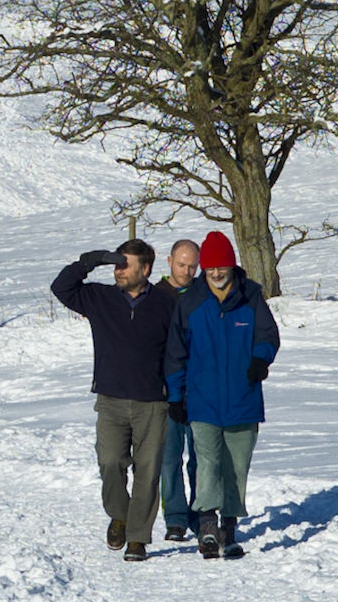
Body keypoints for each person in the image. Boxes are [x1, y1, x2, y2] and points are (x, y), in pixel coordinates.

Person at [51, 238, 179, 560]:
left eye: (125, 265)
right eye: (116, 264)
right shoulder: (100, 298)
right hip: (110, 399)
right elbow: (61, 288)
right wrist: (89, 261)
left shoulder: (167, 304)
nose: (118, 271)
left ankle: (137, 536)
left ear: (146, 269)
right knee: (110, 463)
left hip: (152, 402)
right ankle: (119, 515)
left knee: (148, 471)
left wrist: (177, 393)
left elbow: (180, 351)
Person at [170, 229, 281, 558]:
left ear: (233, 266)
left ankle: (229, 529)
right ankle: (206, 525)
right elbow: (175, 353)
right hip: (202, 401)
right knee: (207, 463)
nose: (216, 273)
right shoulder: (190, 302)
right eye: (210, 268)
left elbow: (268, 334)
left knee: (236, 467)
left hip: (243, 400)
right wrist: (176, 396)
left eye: (222, 267)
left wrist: (261, 359)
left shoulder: (250, 296)